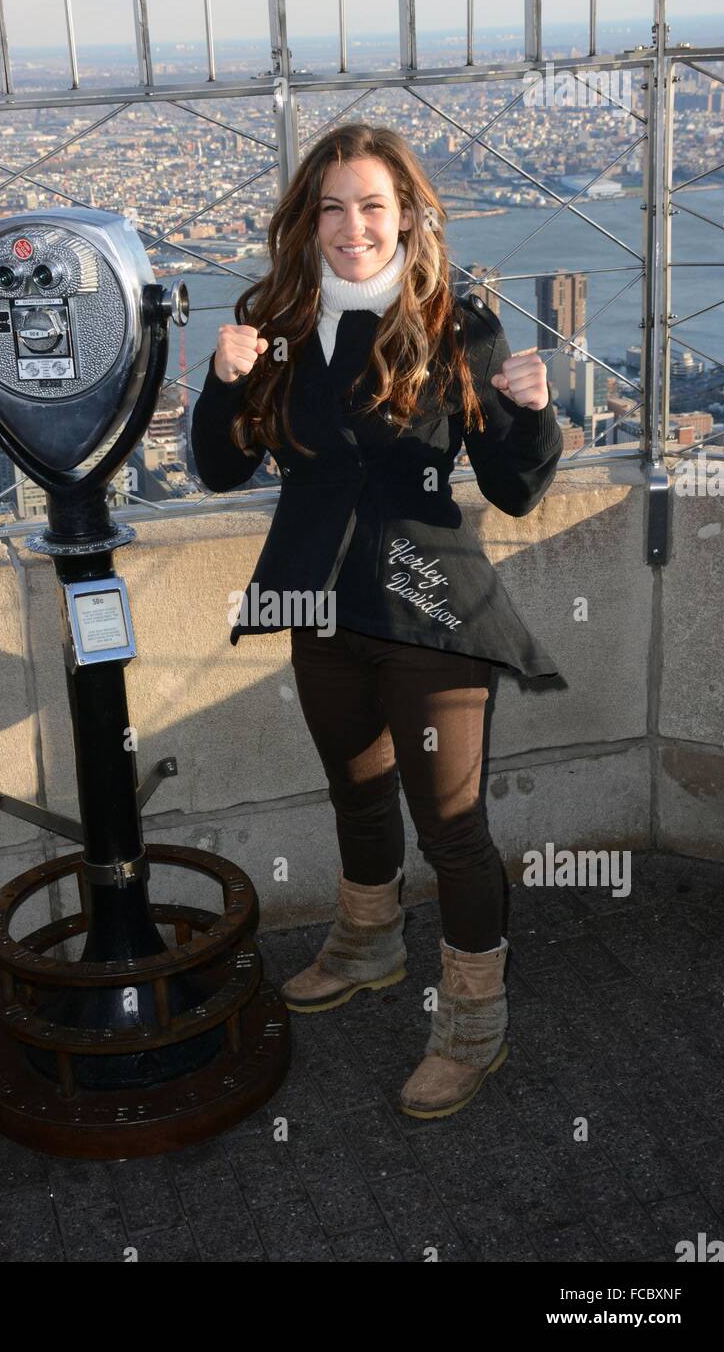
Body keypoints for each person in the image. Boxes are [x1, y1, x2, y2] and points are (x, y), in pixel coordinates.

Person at [190, 123, 563, 1119]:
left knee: (449, 830)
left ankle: (473, 1020)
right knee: (353, 794)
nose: (351, 226)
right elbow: (221, 466)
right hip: (320, 603)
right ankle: (366, 946)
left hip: (430, 613)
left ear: (405, 214)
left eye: (371, 205)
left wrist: (528, 417)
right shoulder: (272, 318)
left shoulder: (457, 325)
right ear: (305, 219)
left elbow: (514, 492)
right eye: (330, 207)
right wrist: (221, 385)